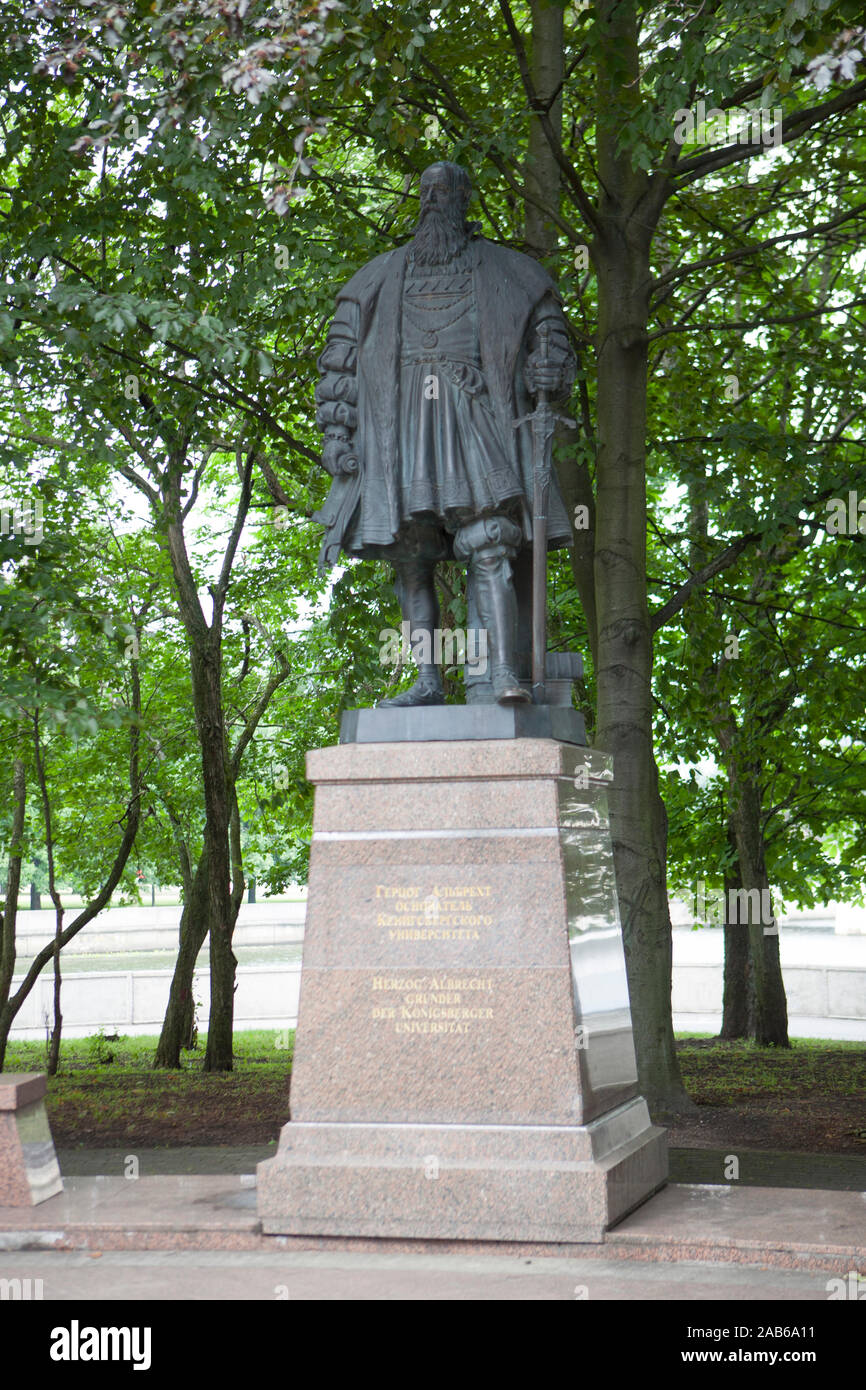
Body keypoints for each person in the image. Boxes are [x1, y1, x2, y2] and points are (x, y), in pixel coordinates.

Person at [314, 160, 575, 706]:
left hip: (475, 418)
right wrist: (338, 435)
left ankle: (505, 672)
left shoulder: (509, 271)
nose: (433, 201)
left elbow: (549, 340)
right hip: (397, 429)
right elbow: (339, 365)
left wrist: (547, 366)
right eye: (425, 192)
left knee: (488, 540)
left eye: (444, 192)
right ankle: (428, 680)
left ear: (464, 200)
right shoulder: (377, 277)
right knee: (410, 554)